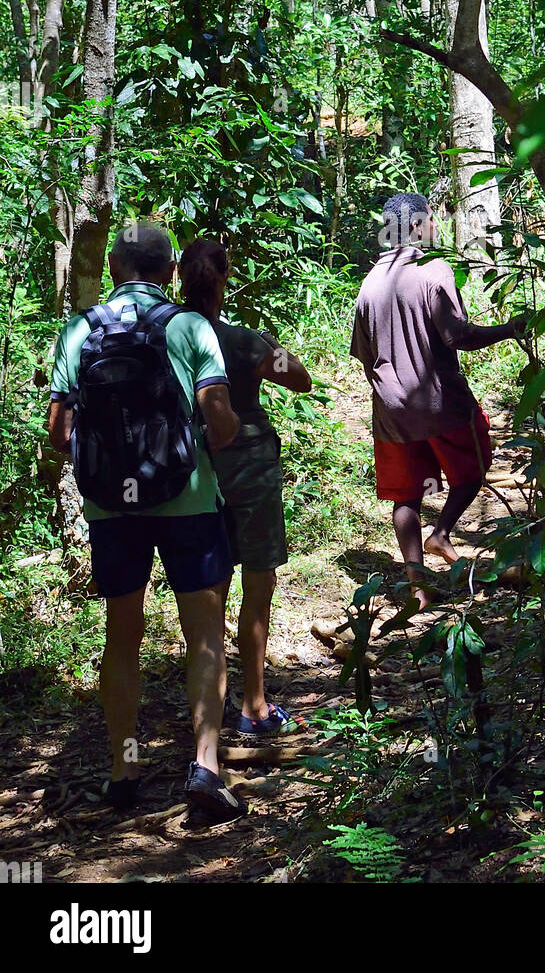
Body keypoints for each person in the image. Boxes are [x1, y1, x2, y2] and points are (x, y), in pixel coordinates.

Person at [48, 225, 245, 822]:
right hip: (186, 499)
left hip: (113, 507)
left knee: (122, 636)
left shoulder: (80, 328)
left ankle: (123, 769)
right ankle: (206, 766)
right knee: (204, 633)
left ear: (112, 268)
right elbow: (221, 422)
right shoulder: (189, 326)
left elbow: (58, 434)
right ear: (168, 272)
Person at [350, 192, 528, 610]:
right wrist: (508, 329)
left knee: (406, 495)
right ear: (415, 226)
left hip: (390, 407)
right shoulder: (433, 269)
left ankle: (417, 583)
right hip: (439, 401)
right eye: (430, 221)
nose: (435, 227)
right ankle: (442, 532)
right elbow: (458, 335)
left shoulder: (370, 282)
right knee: (473, 466)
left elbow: (363, 354)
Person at [178, 239, 312, 735]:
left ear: (180, 278)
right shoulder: (239, 341)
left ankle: (207, 718)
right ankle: (254, 704)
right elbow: (300, 378)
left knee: (210, 588)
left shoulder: (171, 338)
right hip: (250, 469)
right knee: (258, 584)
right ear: (225, 280)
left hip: (194, 473)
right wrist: (262, 355)